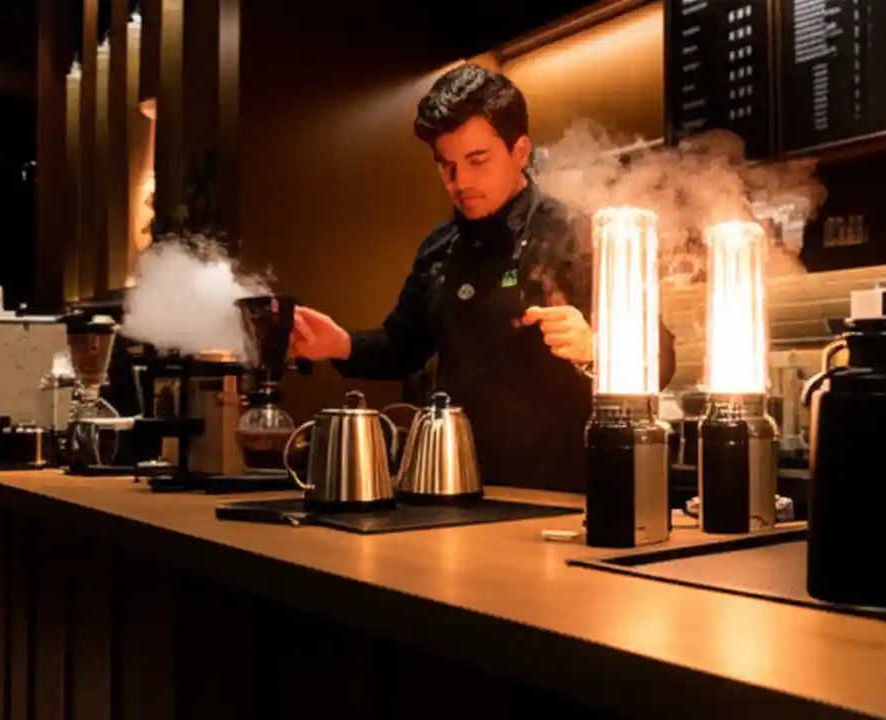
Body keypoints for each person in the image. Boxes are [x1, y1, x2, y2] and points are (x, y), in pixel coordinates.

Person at [289, 64, 675, 493]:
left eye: (478, 161)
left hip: (560, 496)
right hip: (452, 486)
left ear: (521, 151)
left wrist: (595, 348)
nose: (461, 182)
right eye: (446, 166)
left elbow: (661, 358)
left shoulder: (575, 235)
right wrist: (338, 344)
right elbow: (402, 346)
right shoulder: (440, 248)